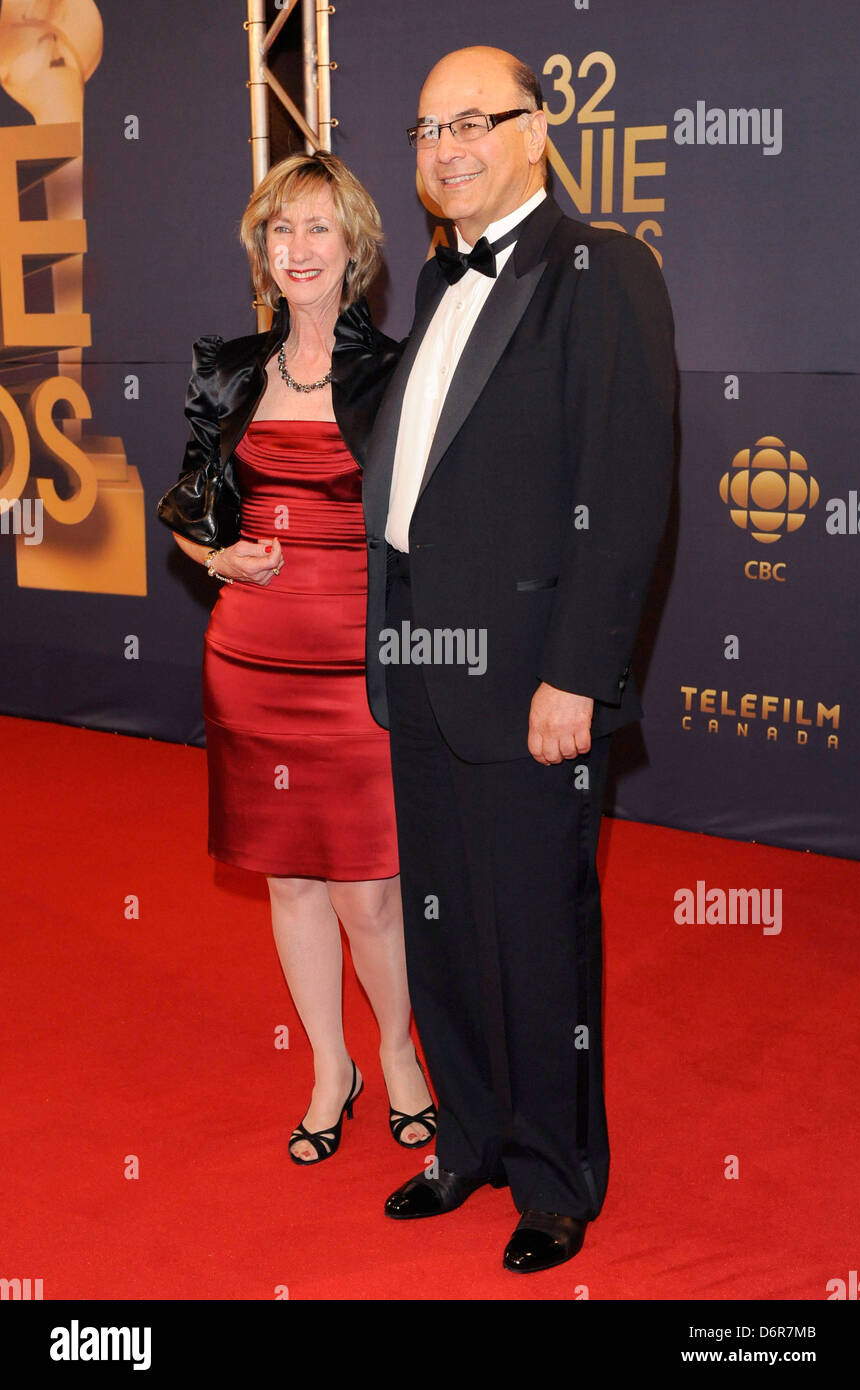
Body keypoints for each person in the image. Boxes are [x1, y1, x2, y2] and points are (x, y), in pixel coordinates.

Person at [362, 48, 676, 1271]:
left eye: (472, 122)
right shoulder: (437, 282)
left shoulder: (602, 271)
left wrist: (578, 676)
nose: (445, 146)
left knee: (538, 933)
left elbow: (626, 485)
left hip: (531, 682)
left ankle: (553, 1175)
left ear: (535, 130)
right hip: (421, 669)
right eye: (427, 126)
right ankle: (471, 1141)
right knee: (443, 927)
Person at [158, 151, 435, 1165]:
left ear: (356, 249)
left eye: (318, 229)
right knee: (288, 882)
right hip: (251, 659)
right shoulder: (228, 366)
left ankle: (398, 1054)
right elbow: (185, 508)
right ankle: (331, 1066)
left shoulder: (400, 370)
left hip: (361, 666)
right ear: (260, 252)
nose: (298, 249)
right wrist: (216, 552)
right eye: (280, 231)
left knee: (369, 886)